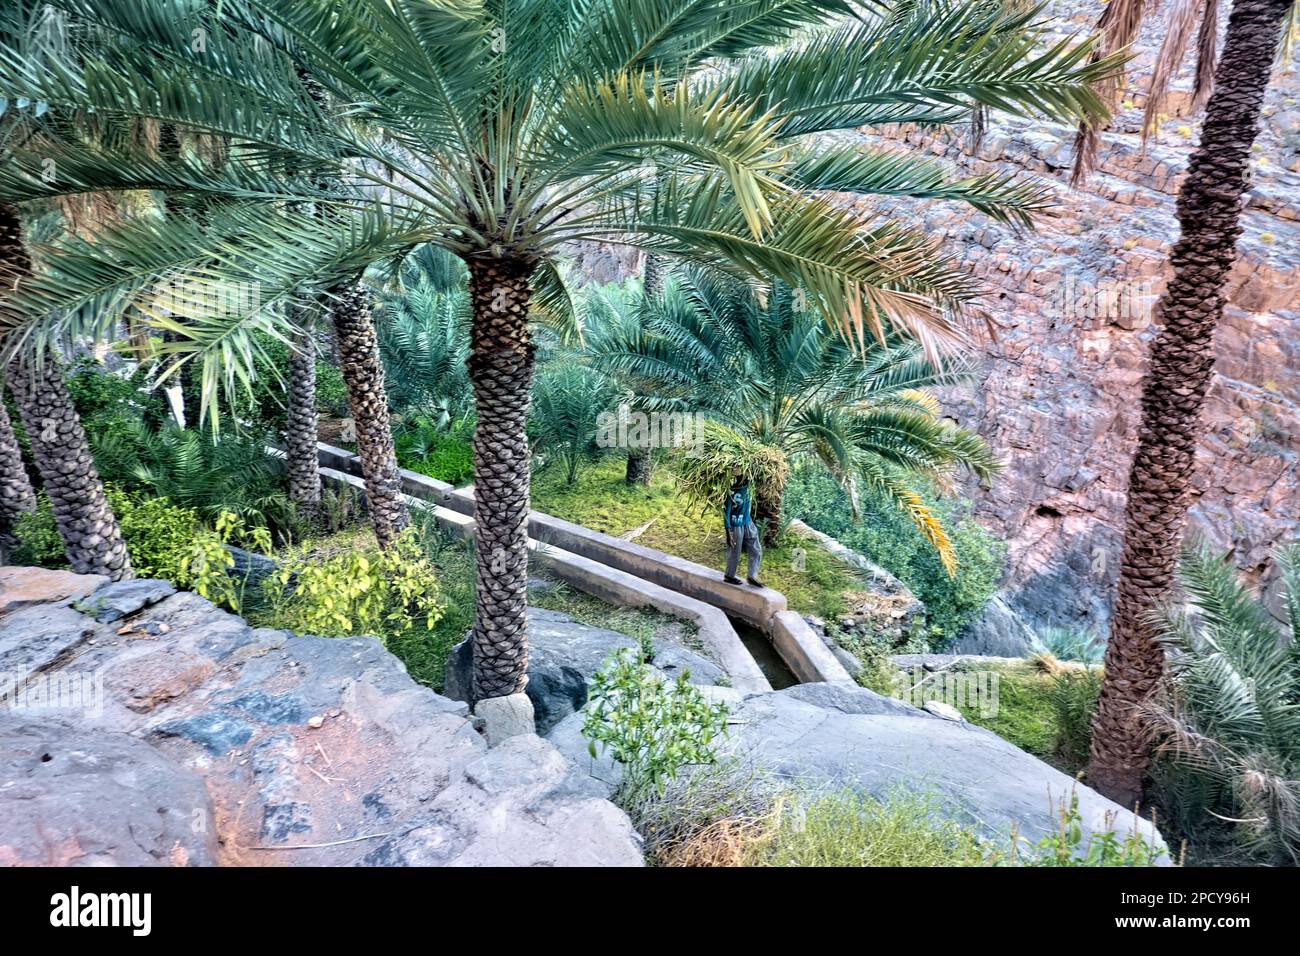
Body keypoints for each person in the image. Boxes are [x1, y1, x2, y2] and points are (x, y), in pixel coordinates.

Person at [722, 471, 764, 587]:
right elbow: (726, 512)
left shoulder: (749, 485)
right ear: (738, 477)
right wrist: (728, 532)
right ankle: (729, 576)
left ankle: (752, 576)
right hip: (736, 524)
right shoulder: (731, 492)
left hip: (748, 522)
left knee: (756, 548)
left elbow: (760, 475)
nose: (746, 477)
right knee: (735, 551)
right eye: (743, 475)